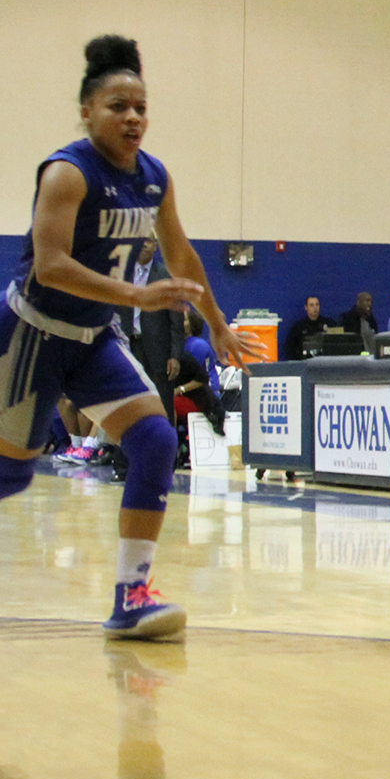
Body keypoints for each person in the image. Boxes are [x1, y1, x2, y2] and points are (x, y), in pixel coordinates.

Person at [0, 35, 261, 639]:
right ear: (87, 111)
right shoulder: (68, 173)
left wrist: (219, 324)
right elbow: (51, 265)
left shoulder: (153, 178)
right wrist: (139, 296)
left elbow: (181, 253)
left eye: (141, 107)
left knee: (153, 441)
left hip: (92, 338)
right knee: (12, 475)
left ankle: (132, 594)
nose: (133, 117)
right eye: (118, 106)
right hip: (32, 335)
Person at [111, 242, 183, 397]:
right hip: (128, 344)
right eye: (141, 240)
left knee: (162, 400)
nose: (144, 244)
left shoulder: (166, 275)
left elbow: (176, 321)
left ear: (156, 246)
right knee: (130, 397)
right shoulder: (122, 274)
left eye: (149, 241)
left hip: (158, 351)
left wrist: (175, 356)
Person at [284, 296, 334, 360]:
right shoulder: (298, 327)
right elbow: (289, 347)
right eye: (311, 305)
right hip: (304, 363)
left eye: (317, 305)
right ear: (306, 307)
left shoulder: (329, 323)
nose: (315, 308)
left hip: (325, 362)